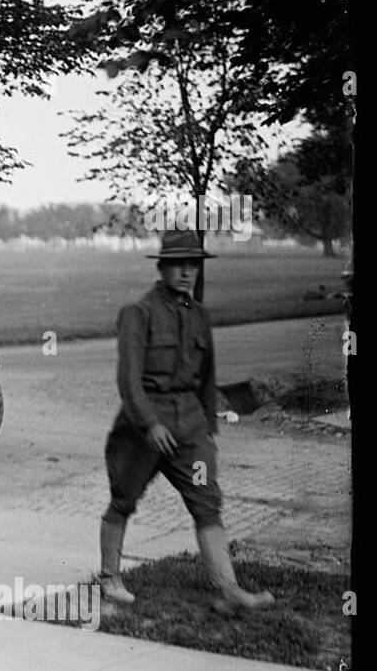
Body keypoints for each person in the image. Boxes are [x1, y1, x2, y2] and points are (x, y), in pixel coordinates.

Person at [98, 229, 275, 613]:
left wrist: (207, 430)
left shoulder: (200, 316)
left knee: (206, 502)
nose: (186, 272)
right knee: (123, 501)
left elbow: (208, 377)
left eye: (192, 265)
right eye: (178, 265)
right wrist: (149, 424)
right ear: (161, 268)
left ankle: (229, 591)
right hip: (142, 432)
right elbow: (129, 381)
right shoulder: (138, 313)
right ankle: (109, 577)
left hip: (190, 429)